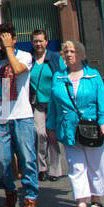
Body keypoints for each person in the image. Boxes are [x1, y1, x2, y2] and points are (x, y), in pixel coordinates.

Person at [49, 40, 104, 207]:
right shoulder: (59, 77)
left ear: (81, 54)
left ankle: (96, 199)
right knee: (76, 167)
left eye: (72, 51)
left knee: (95, 165)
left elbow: (103, 101)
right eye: (65, 52)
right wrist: (51, 126)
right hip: (69, 129)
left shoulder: (93, 76)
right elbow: (54, 104)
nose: (68, 55)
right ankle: (81, 202)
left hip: (91, 128)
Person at [0, 22, 39, 207]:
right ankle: (9, 191)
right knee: (1, 158)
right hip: (0, 115)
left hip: (22, 115)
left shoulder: (24, 56)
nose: (1, 42)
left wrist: (9, 49)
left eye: (6, 39)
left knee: (27, 158)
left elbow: (17, 70)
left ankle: (30, 198)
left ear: (14, 39)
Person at [30, 29, 66, 183]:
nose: (38, 44)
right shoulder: (29, 59)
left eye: (41, 40)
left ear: (46, 42)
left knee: (52, 136)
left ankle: (55, 170)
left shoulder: (55, 58)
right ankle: (42, 168)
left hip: (53, 104)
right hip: (37, 103)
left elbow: (64, 78)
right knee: (40, 134)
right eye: (35, 41)